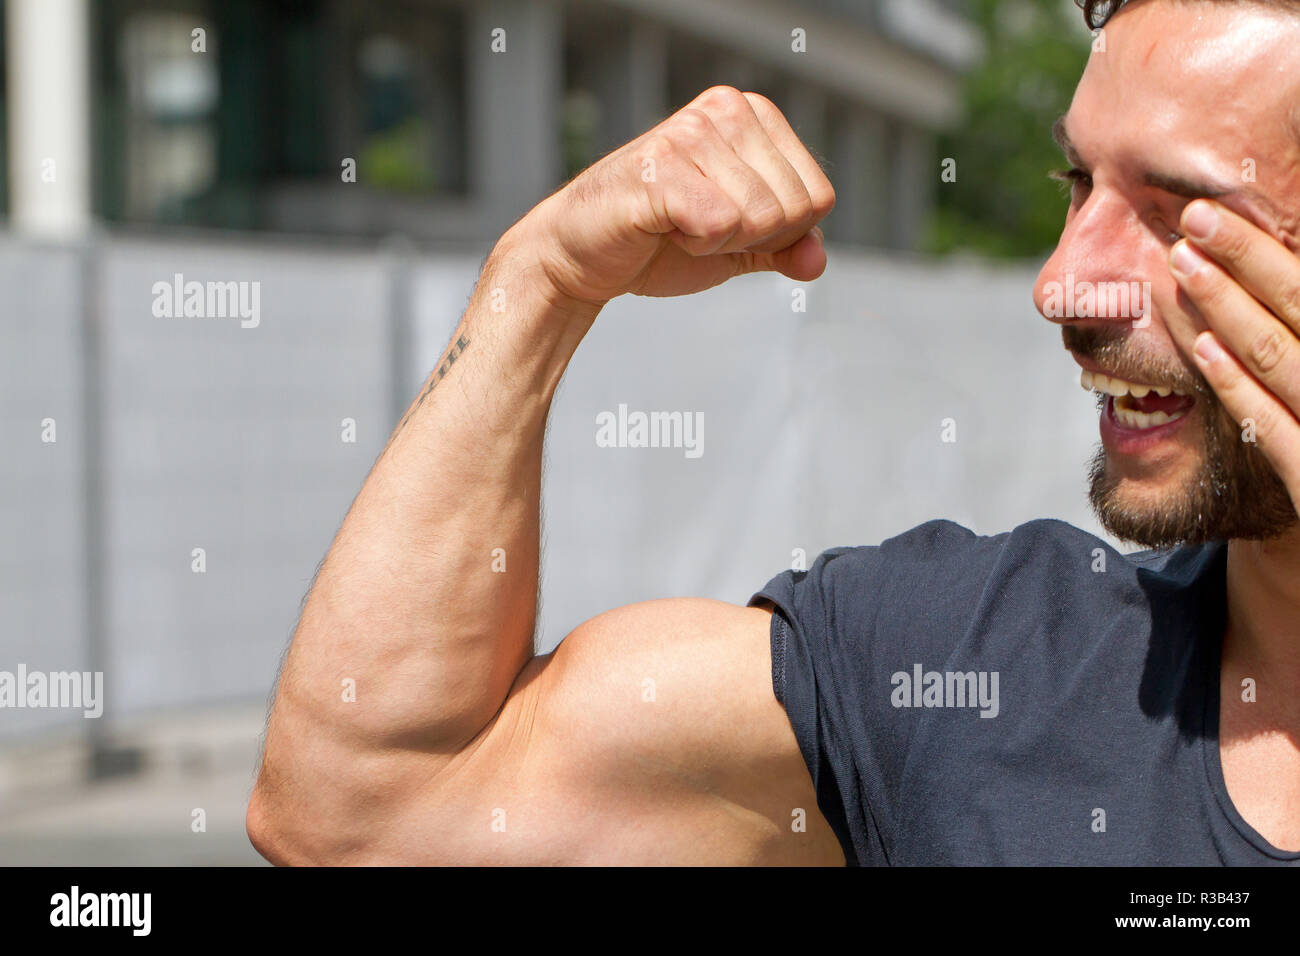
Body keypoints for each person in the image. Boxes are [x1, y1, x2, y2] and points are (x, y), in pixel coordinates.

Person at [247, 0, 1300, 865]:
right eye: (1075, 184)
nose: (1063, 284)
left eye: (1180, 214)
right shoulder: (970, 673)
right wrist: (542, 279)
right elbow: (361, 813)